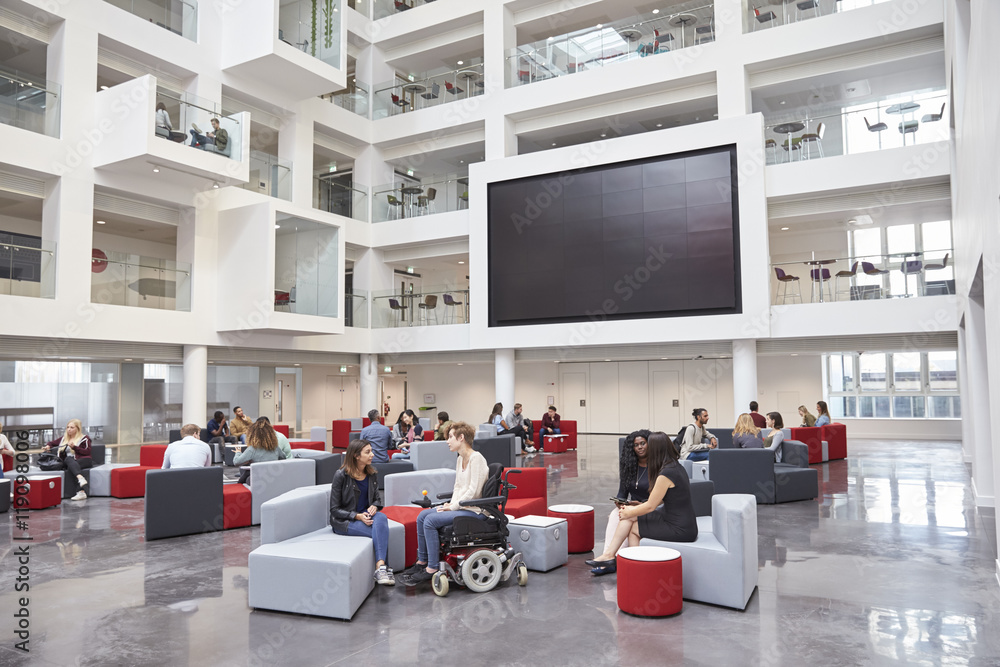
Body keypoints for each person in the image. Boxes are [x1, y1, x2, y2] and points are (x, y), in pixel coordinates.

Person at [587, 431, 697, 575]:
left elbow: (651, 505)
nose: (644, 449)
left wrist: (628, 511)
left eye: (647, 445)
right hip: (676, 519)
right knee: (631, 521)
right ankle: (612, 556)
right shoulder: (674, 467)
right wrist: (632, 510)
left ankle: (628, 563)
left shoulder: (666, 473)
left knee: (631, 522)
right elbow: (662, 499)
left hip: (680, 528)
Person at [399, 421, 488, 586]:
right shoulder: (460, 458)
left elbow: (473, 492)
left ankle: (432, 568)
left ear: (461, 438)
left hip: (475, 510)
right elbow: (458, 487)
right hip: (462, 506)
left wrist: (452, 507)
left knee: (431, 520)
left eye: (451, 437)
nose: (447, 441)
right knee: (422, 515)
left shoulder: (477, 459)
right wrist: (448, 505)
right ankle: (422, 561)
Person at [329, 439, 395, 586]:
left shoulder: (371, 474)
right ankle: (383, 568)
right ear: (356, 456)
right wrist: (356, 516)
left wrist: (375, 507)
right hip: (345, 521)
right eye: (368, 452)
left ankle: (380, 567)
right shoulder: (341, 475)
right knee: (380, 532)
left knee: (382, 517)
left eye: (371, 451)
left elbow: (377, 500)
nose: (372, 454)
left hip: (367, 516)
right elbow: (334, 510)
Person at [601, 430, 651, 560]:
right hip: (631, 507)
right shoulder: (629, 467)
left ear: (649, 444)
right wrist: (620, 501)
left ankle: (617, 557)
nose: (640, 447)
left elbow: (659, 498)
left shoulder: (656, 467)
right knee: (614, 514)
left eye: (643, 443)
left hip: (648, 507)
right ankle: (609, 556)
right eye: (636, 445)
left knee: (625, 517)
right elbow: (622, 493)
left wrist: (642, 504)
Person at [42, 419, 93, 501]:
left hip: (84, 459)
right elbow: (51, 443)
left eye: (72, 427)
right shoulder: (63, 439)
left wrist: (75, 447)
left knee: (71, 465)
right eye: (68, 427)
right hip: (69, 461)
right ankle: (81, 483)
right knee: (69, 460)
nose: (69, 429)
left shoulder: (85, 438)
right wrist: (48, 446)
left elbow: (87, 451)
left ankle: (81, 490)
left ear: (77, 428)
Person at [233, 418, 287, 484]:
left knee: (247, 474)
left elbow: (236, 462)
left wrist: (238, 452)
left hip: (258, 480)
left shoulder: (252, 449)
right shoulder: (275, 448)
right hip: (273, 478)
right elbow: (283, 457)